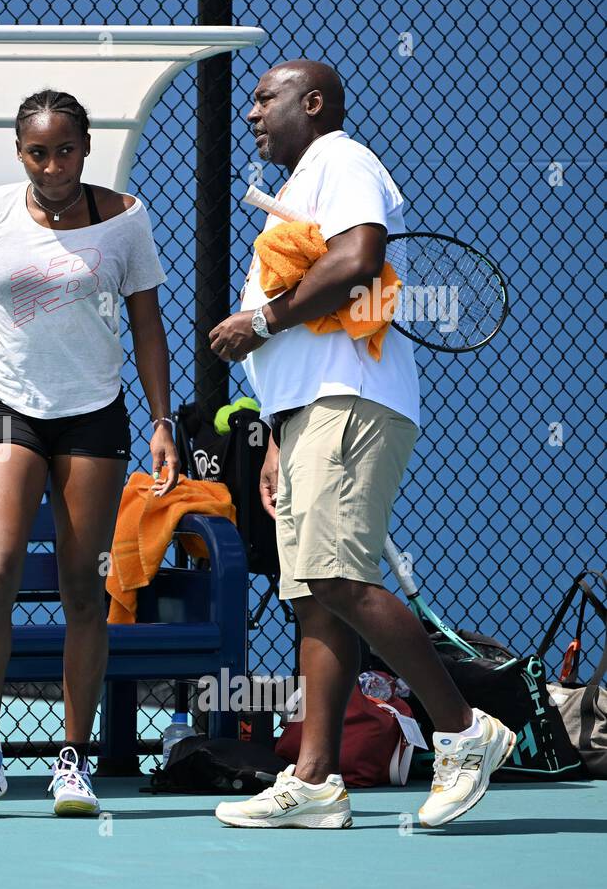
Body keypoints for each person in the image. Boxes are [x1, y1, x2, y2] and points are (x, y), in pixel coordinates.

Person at [208, 61, 513, 828]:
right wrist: (280, 438)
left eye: (265, 99)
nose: (252, 113)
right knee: (314, 595)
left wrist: (263, 321)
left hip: (349, 402)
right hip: (311, 411)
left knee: (340, 578)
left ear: (312, 104)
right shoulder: (305, 177)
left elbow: (359, 260)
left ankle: (464, 729)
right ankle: (314, 779)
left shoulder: (339, 159)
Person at [0, 90, 178, 817]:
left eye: (65, 150)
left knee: (82, 589)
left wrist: (161, 419)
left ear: (86, 148)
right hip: (10, 414)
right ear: (18, 151)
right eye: (38, 151)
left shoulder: (126, 219)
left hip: (95, 421)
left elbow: (147, 326)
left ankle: (72, 761)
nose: (53, 164)